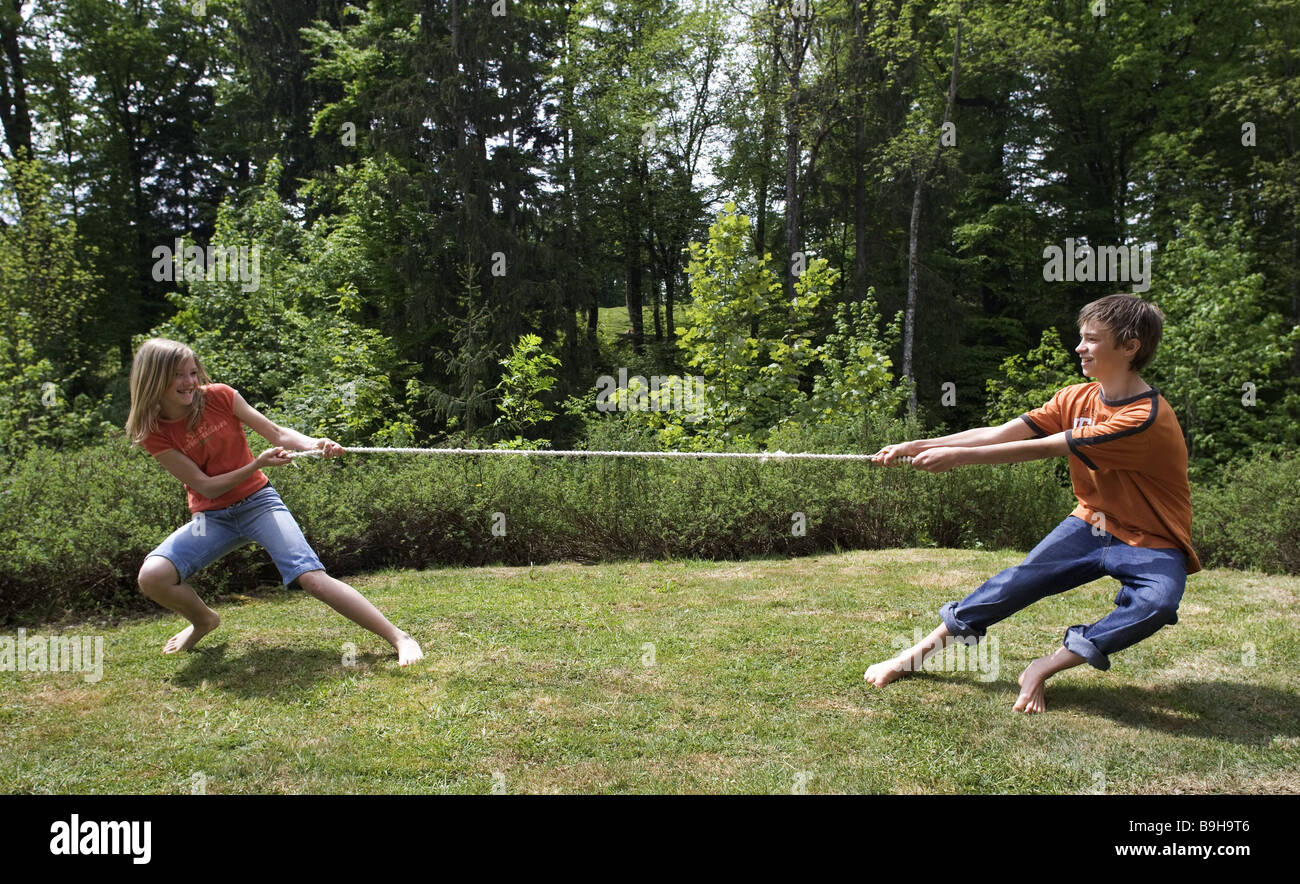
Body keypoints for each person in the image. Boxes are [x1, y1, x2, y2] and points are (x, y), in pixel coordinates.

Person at [865, 293, 1199, 713]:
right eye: (1081, 338)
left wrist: (958, 459)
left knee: (1158, 603)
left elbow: (1045, 448)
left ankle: (1046, 665)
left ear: (1130, 346)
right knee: (1016, 583)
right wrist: (918, 444)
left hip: (1154, 539)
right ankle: (910, 658)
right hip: (1092, 523)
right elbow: (1001, 433)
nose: (1080, 347)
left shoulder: (1144, 418)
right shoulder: (1075, 398)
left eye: (1091, 339)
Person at [125, 338, 423, 666]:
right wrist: (257, 464)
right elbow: (205, 487)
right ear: (154, 378)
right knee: (152, 576)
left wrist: (314, 443)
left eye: (193, 372)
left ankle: (399, 637)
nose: (191, 382)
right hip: (212, 517)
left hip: (258, 502)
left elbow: (278, 434)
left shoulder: (221, 397)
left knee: (310, 576)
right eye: (179, 375)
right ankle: (203, 621)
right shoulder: (153, 431)